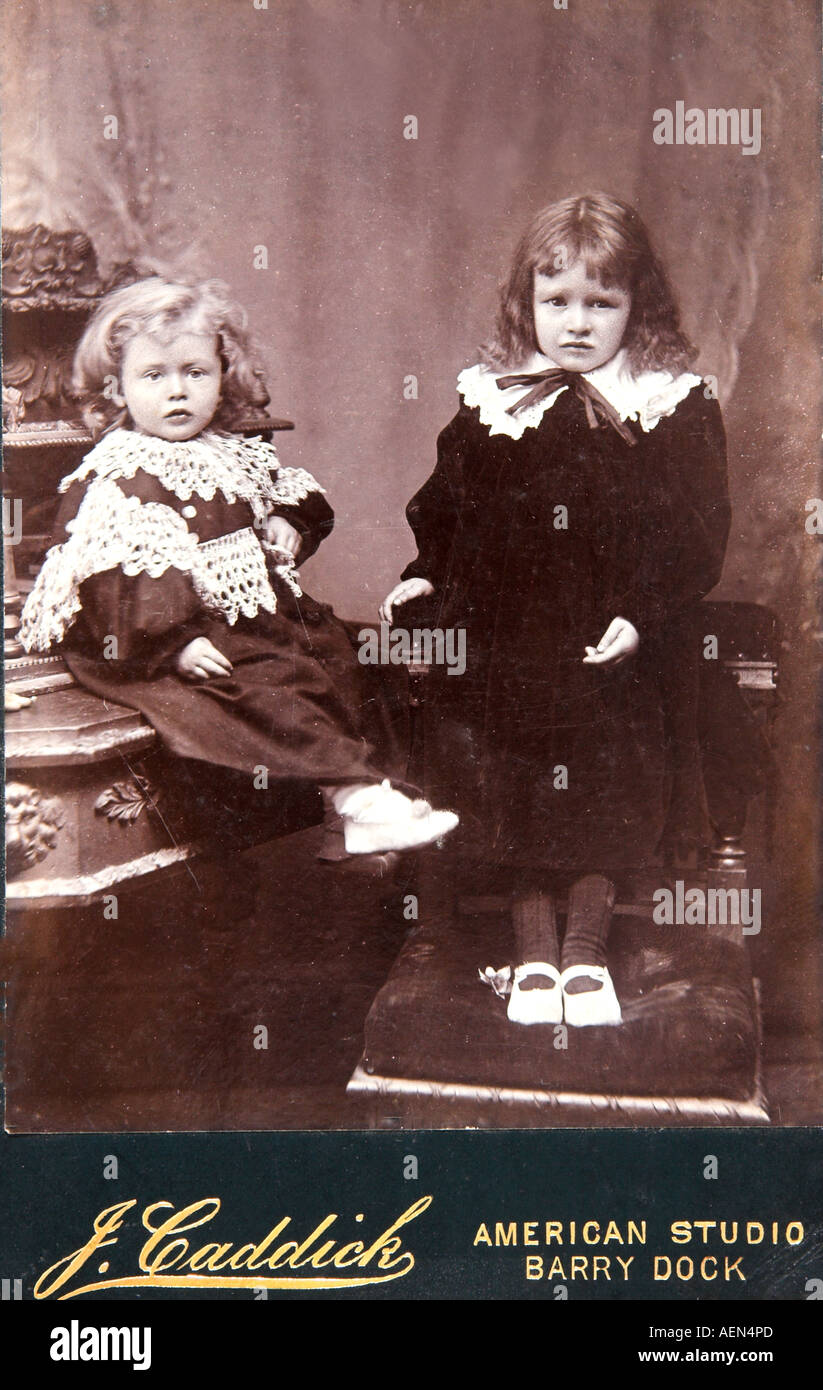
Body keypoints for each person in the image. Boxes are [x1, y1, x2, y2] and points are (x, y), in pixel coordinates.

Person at [380, 193, 730, 1026]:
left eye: (600, 304)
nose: (576, 324)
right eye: (556, 302)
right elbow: (449, 509)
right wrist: (425, 574)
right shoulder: (494, 401)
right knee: (512, 776)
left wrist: (642, 613)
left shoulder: (670, 405)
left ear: (636, 307)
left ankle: (585, 956)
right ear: (524, 304)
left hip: (619, 640)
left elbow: (695, 533)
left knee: (603, 781)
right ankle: (533, 956)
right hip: (512, 633)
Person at [19, 275, 458, 857]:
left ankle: (357, 808)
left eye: (194, 373)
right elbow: (118, 578)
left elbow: (297, 498)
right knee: (276, 679)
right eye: (154, 375)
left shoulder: (228, 450)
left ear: (222, 376)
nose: (177, 392)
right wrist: (173, 642)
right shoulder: (125, 472)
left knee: (359, 655)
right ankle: (356, 800)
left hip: (251, 621)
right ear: (118, 389)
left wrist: (288, 522)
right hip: (153, 639)